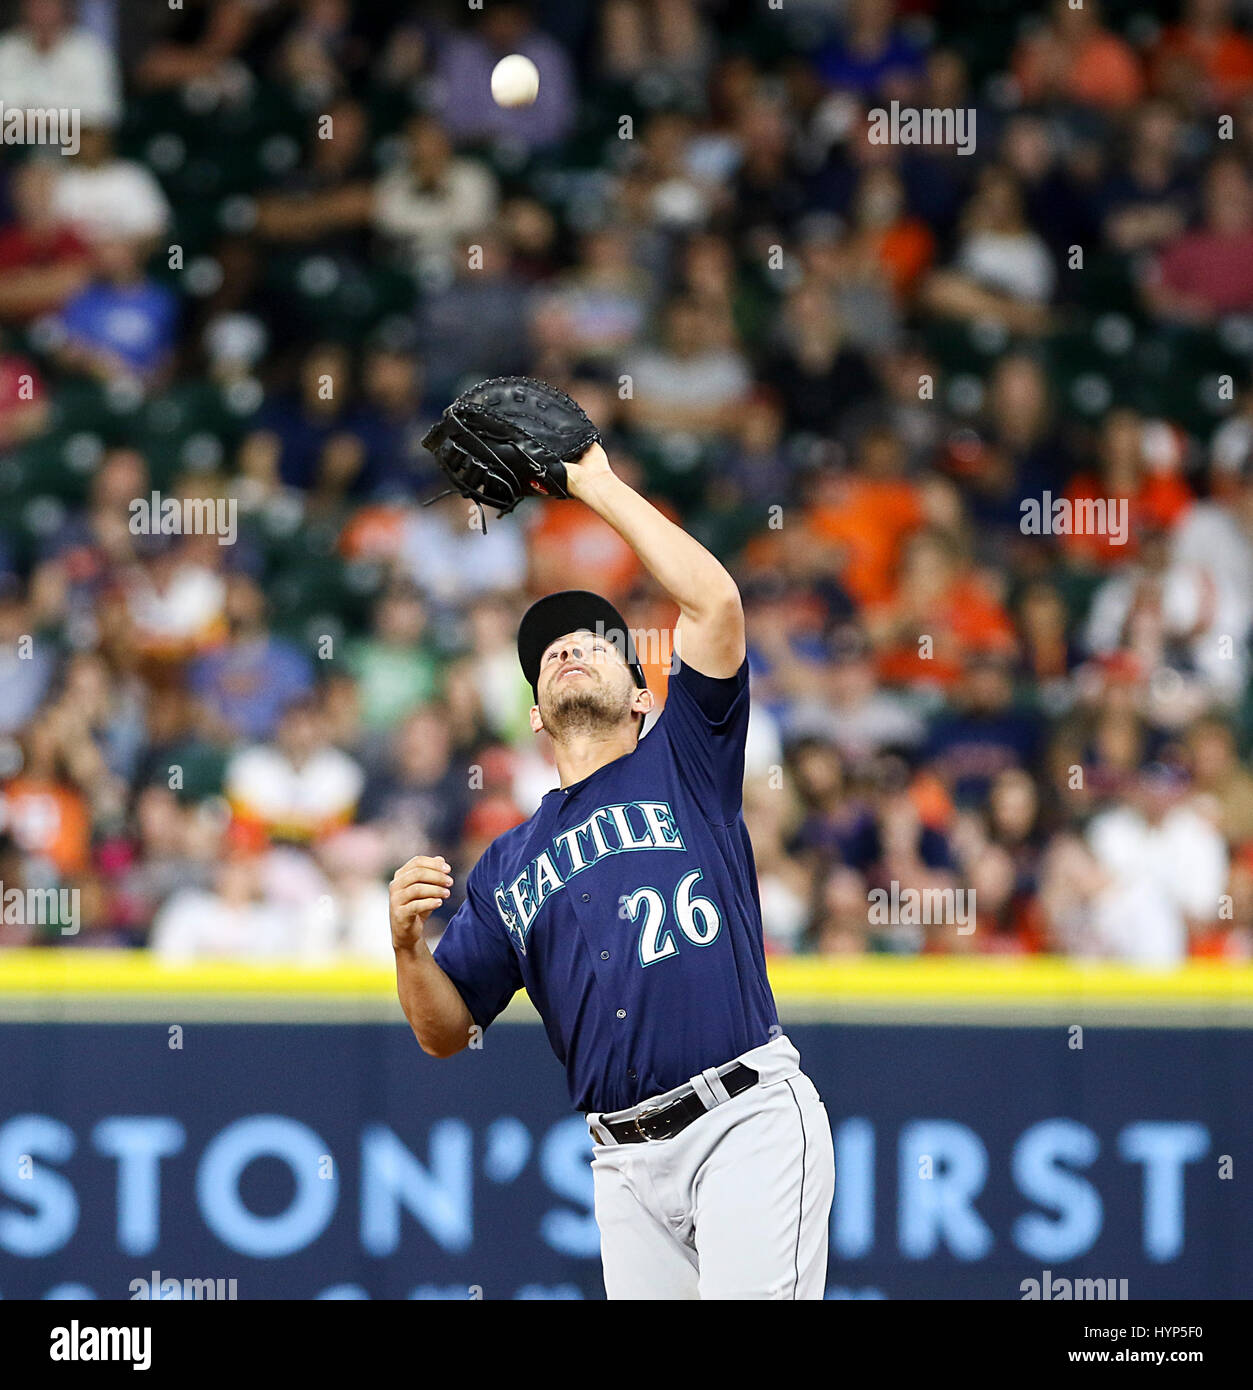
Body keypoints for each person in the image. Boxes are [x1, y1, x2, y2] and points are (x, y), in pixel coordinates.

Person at [388, 438, 834, 1299]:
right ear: (533, 716)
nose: (567, 650)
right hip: (622, 1164)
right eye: (549, 653)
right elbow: (445, 1030)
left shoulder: (686, 760)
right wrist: (407, 948)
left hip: (742, 1119)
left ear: (642, 694)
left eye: (595, 643)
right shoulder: (505, 863)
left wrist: (594, 485)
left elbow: (714, 602)